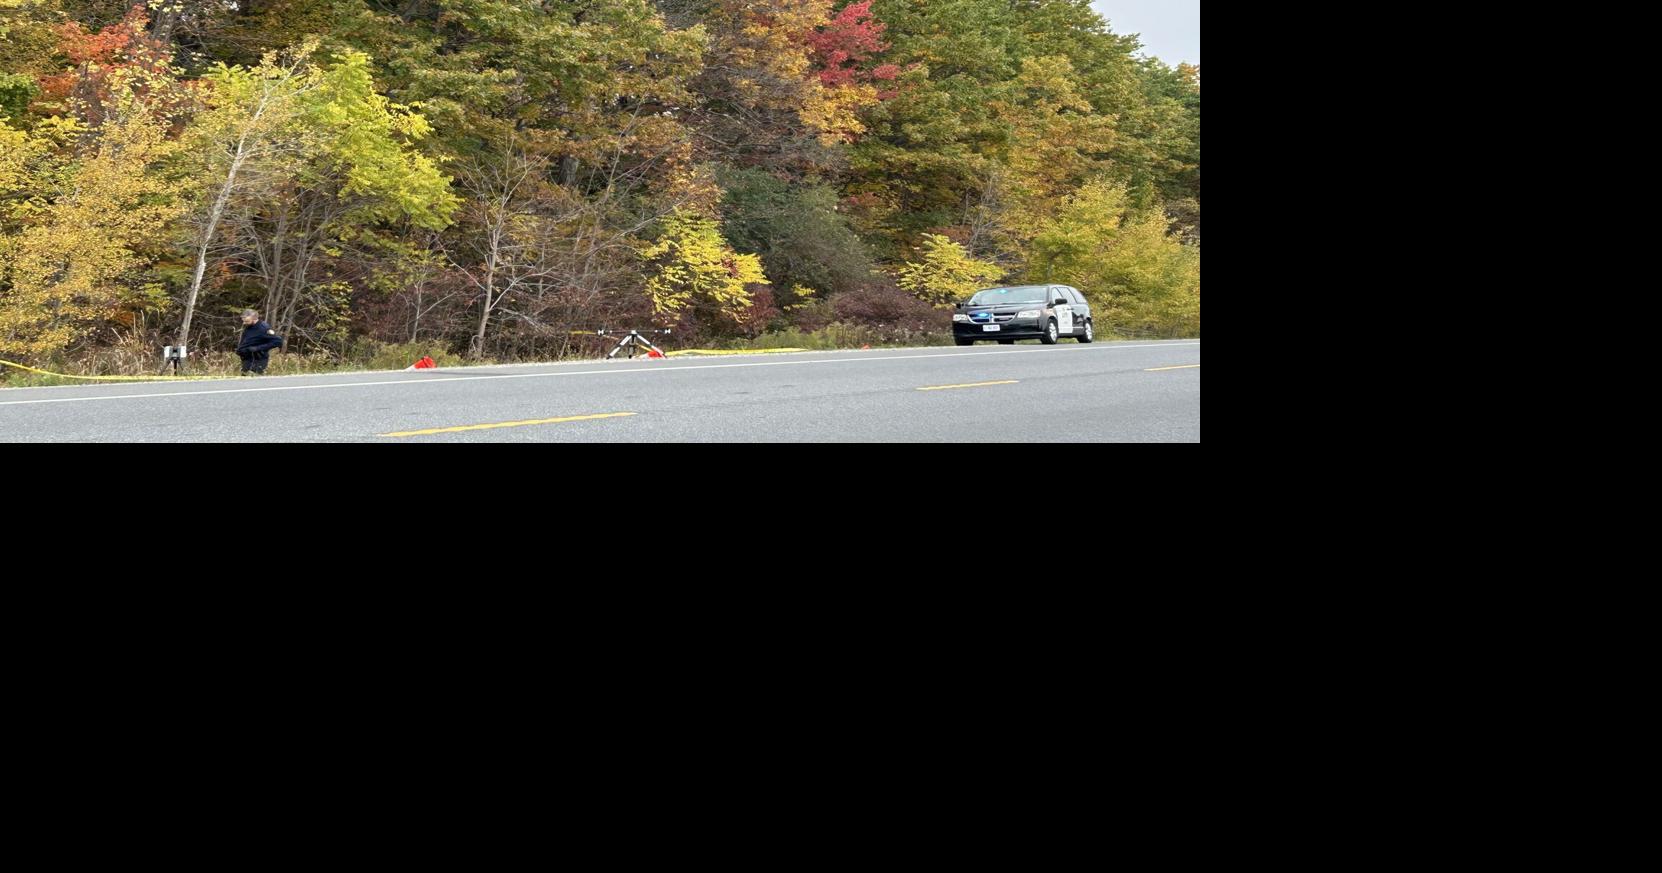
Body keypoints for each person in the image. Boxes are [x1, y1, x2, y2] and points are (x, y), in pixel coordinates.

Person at [236, 310, 284, 375]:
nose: (244, 323)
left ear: (254, 318)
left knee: (254, 380)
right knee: (244, 381)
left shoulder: (263, 328)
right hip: (247, 359)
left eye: (246, 321)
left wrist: (257, 348)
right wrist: (240, 350)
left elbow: (278, 341)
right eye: (244, 321)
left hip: (258, 359)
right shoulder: (249, 327)